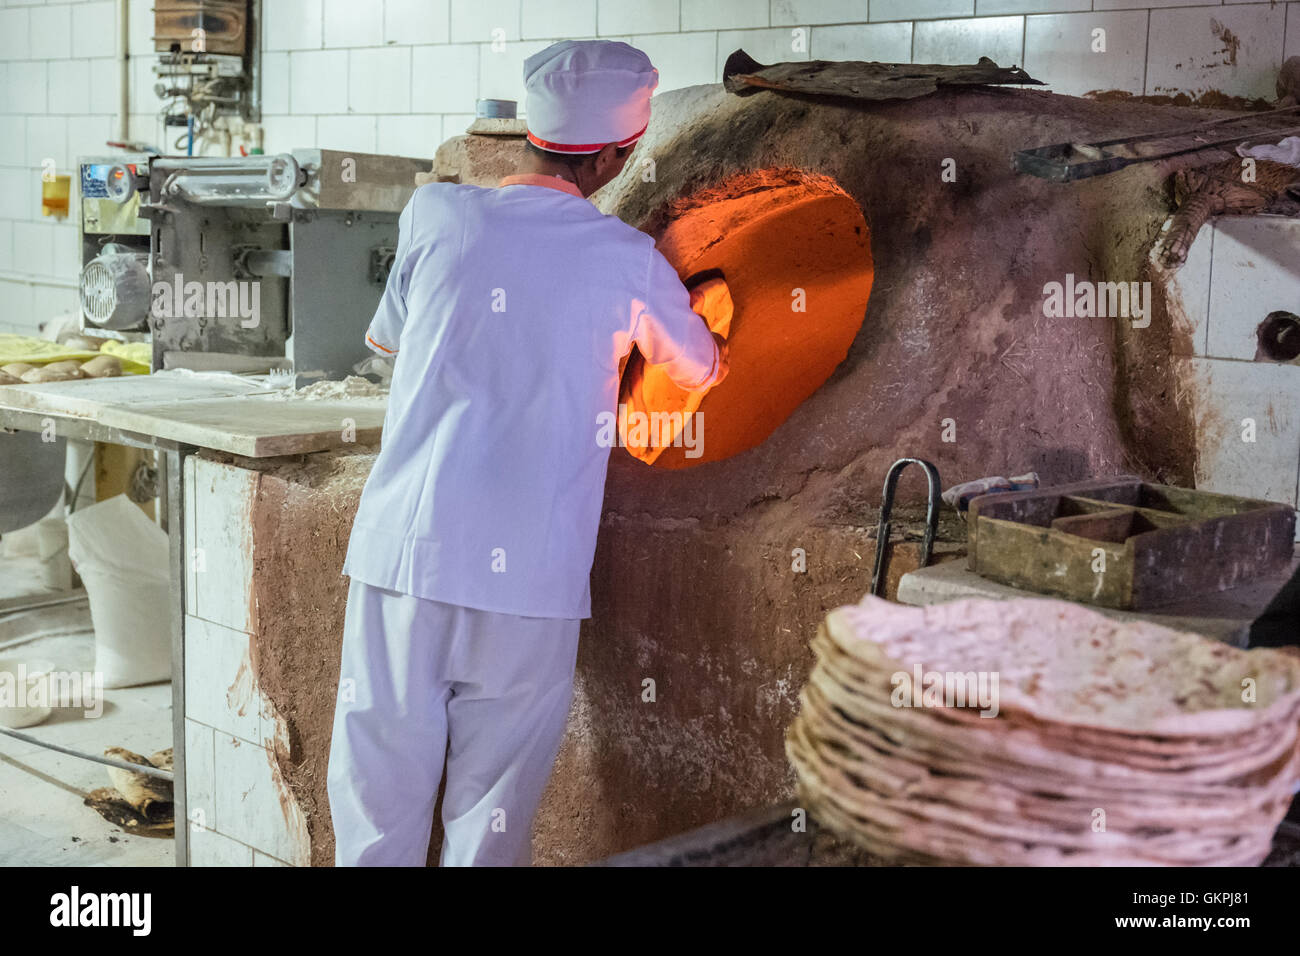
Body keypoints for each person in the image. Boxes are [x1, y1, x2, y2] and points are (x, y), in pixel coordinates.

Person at [326, 39, 730, 866]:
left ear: (530, 137)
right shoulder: (626, 258)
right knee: (490, 820)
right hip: (531, 583)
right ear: (621, 155)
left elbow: (392, 344)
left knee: (375, 806)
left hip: (406, 557)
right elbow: (701, 365)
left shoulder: (435, 215)